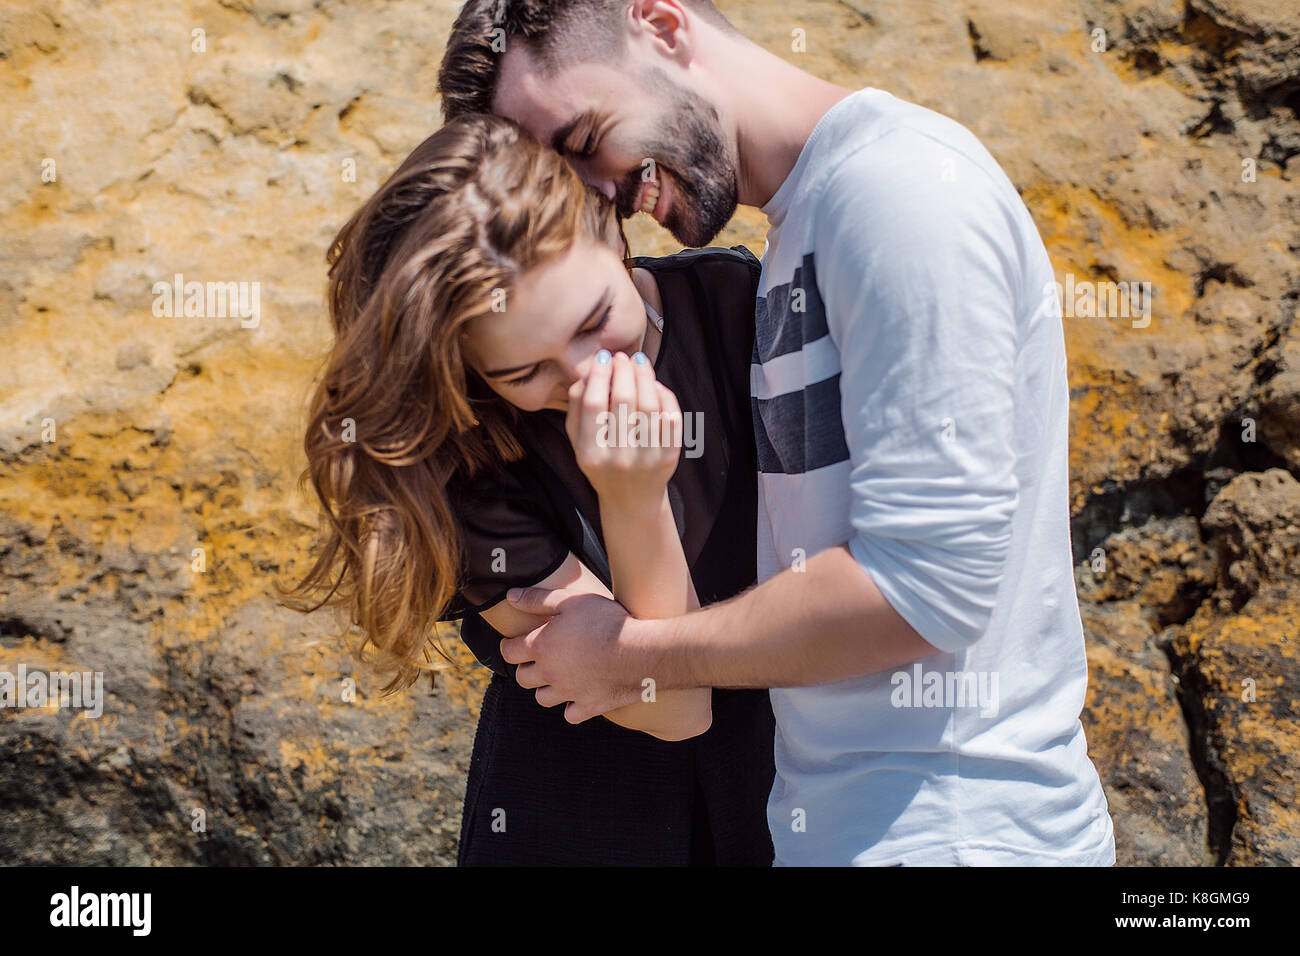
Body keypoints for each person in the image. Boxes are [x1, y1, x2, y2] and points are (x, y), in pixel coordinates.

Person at [438, 0, 1118, 866]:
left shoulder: (898, 192)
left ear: (658, 21)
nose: (600, 195)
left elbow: (931, 589)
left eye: (582, 141)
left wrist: (630, 654)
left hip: (961, 833)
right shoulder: (797, 239)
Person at [285, 112, 775, 865]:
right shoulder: (468, 468)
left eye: (595, 320)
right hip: (583, 827)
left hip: (783, 801)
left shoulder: (739, 307)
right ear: (471, 373)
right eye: (526, 373)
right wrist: (632, 499)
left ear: (614, 234)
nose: (582, 379)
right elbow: (673, 705)